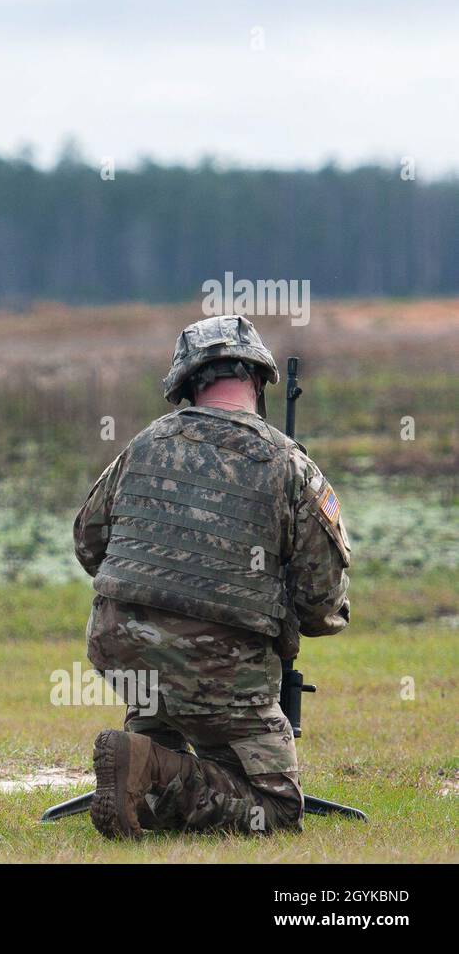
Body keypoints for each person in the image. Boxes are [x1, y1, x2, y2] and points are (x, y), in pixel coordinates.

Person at [73, 315, 351, 838]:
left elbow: (89, 543)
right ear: (259, 379)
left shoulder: (142, 445)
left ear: (187, 385)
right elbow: (322, 604)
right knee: (276, 808)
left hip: (123, 651)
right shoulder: (288, 464)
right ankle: (150, 768)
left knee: (161, 687)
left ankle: (148, 756)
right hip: (223, 674)